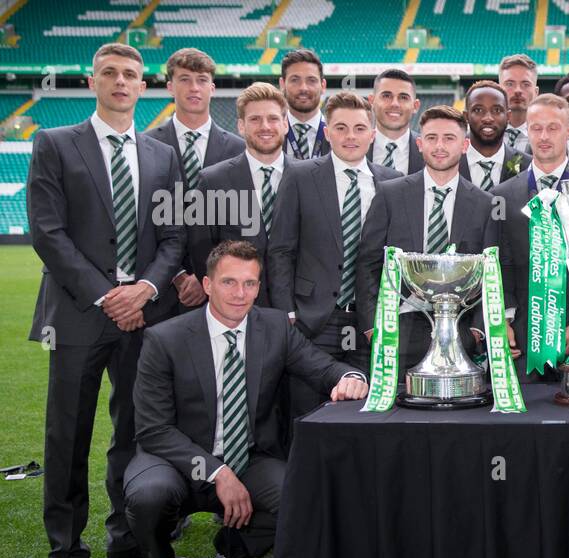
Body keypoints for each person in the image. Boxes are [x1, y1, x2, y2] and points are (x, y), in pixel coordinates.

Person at [125, 240, 368, 558]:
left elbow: (321, 368)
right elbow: (153, 429)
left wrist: (350, 376)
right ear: (207, 285)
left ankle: (238, 542)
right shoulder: (165, 338)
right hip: (176, 458)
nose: (241, 294)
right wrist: (219, 473)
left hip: (249, 456)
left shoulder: (273, 327)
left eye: (250, 283)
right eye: (229, 282)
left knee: (301, 496)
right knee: (149, 496)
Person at [28, 43, 185, 558]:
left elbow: (173, 238)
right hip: (77, 316)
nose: (121, 82)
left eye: (131, 75)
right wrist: (106, 294)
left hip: (144, 314)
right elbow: (47, 232)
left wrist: (142, 289)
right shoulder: (54, 143)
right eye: (110, 73)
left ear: (144, 87)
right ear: (92, 80)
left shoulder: (163, 155)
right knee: (66, 434)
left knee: (136, 430)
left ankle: (127, 534)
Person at [266, 91, 401, 417]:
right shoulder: (300, 176)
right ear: (327, 132)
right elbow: (281, 248)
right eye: (340, 128)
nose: (350, 136)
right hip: (313, 321)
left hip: (372, 324)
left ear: (372, 133)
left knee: (367, 415)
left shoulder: (394, 183)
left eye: (358, 128)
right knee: (306, 414)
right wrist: (287, 313)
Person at [358, 105, 514, 375]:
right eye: (431, 138)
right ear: (419, 143)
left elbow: (491, 272)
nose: (439, 146)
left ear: (464, 145)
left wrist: (477, 330)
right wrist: (374, 326)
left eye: (449, 138)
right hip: (398, 326)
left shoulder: (484, 203)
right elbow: (368, 263)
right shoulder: (390, 195)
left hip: (460, 328)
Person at [144, 47, 245, 312]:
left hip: (219, 287)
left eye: (201, 80)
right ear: (169, 86)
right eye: (185, 79)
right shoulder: (145, 144)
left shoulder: (238, 149)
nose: (194, 88)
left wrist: (207, 276)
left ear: (212, 88)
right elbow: (142, 219)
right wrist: (176, 274)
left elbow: (240, 222)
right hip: (159, 286)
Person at [494, 93, 569, 379]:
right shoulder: (501, 197)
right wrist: (503, 323)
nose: (544, 136)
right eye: (536, 128)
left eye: (553, 128)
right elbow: (497, 265)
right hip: (520, 341)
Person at [187, 82, 293, 292]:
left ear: (285, 124)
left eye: (273, 118)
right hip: (236, 306)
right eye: (255, 119)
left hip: (297, 308)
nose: (265, 127)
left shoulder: (309, 177)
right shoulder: (212, 181)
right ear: (241, 126)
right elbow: (201, 251)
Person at [459, 80, 531, 190]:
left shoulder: (529, 166)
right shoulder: (449, 162)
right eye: (478, 110)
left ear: (508, 116)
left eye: (497, 110)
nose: (488, 118)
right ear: (466, 116)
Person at [366, 69, 423, 175]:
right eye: (386, 96)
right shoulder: (353, 147)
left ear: (415, 106)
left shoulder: (430, 151)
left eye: (403, 97)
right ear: (371, 101)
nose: (395, 104)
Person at [279, 49, 329, 160]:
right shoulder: (270, 135)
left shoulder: (338, 135)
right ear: (282, 85)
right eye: (295, 80)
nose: (303, 88)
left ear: (323, 86)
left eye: (311, 80)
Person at [498, 53, 538, 154]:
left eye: (525, 84)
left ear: (536, 92)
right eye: (510, 84)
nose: (517, 90)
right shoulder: (480, 134)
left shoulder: (548, 136)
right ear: (498, 90)